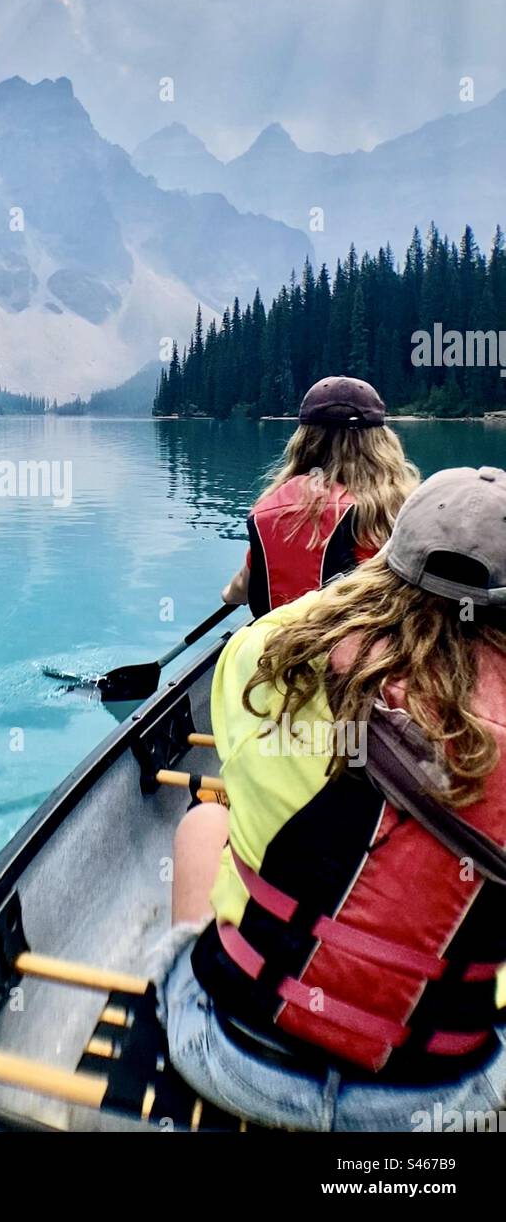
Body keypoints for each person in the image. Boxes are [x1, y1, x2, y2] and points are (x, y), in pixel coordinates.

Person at [156, 467, 506, 1132]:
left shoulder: (266, 652)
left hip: (232, 1059)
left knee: (205, 823)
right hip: (437, 1105)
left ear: (388, 566)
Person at [221, 376, 419, 616]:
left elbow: (238, 590)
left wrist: (229, 594)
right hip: (368, 647)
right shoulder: (405, 508)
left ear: (303, 440)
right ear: (382, 442)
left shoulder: (270, 509)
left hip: (280, 648)